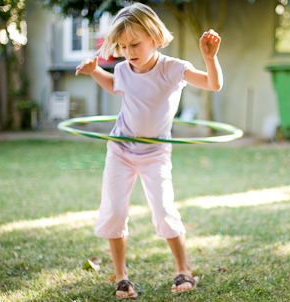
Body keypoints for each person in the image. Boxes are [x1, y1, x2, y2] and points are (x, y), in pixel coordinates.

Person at [75, 2, 222, 299]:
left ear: (154, 37)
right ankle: (121, 276)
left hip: (155, 153)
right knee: (115, 210)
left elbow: (213, 84)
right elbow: (116, 85)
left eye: (135, 44)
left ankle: (183, 269)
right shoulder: (122, 68)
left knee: (164, 210)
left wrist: (210, 58)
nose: (129, 51)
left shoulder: (173, 69)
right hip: (121, 148)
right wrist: (94, 72)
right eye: (123, 46)